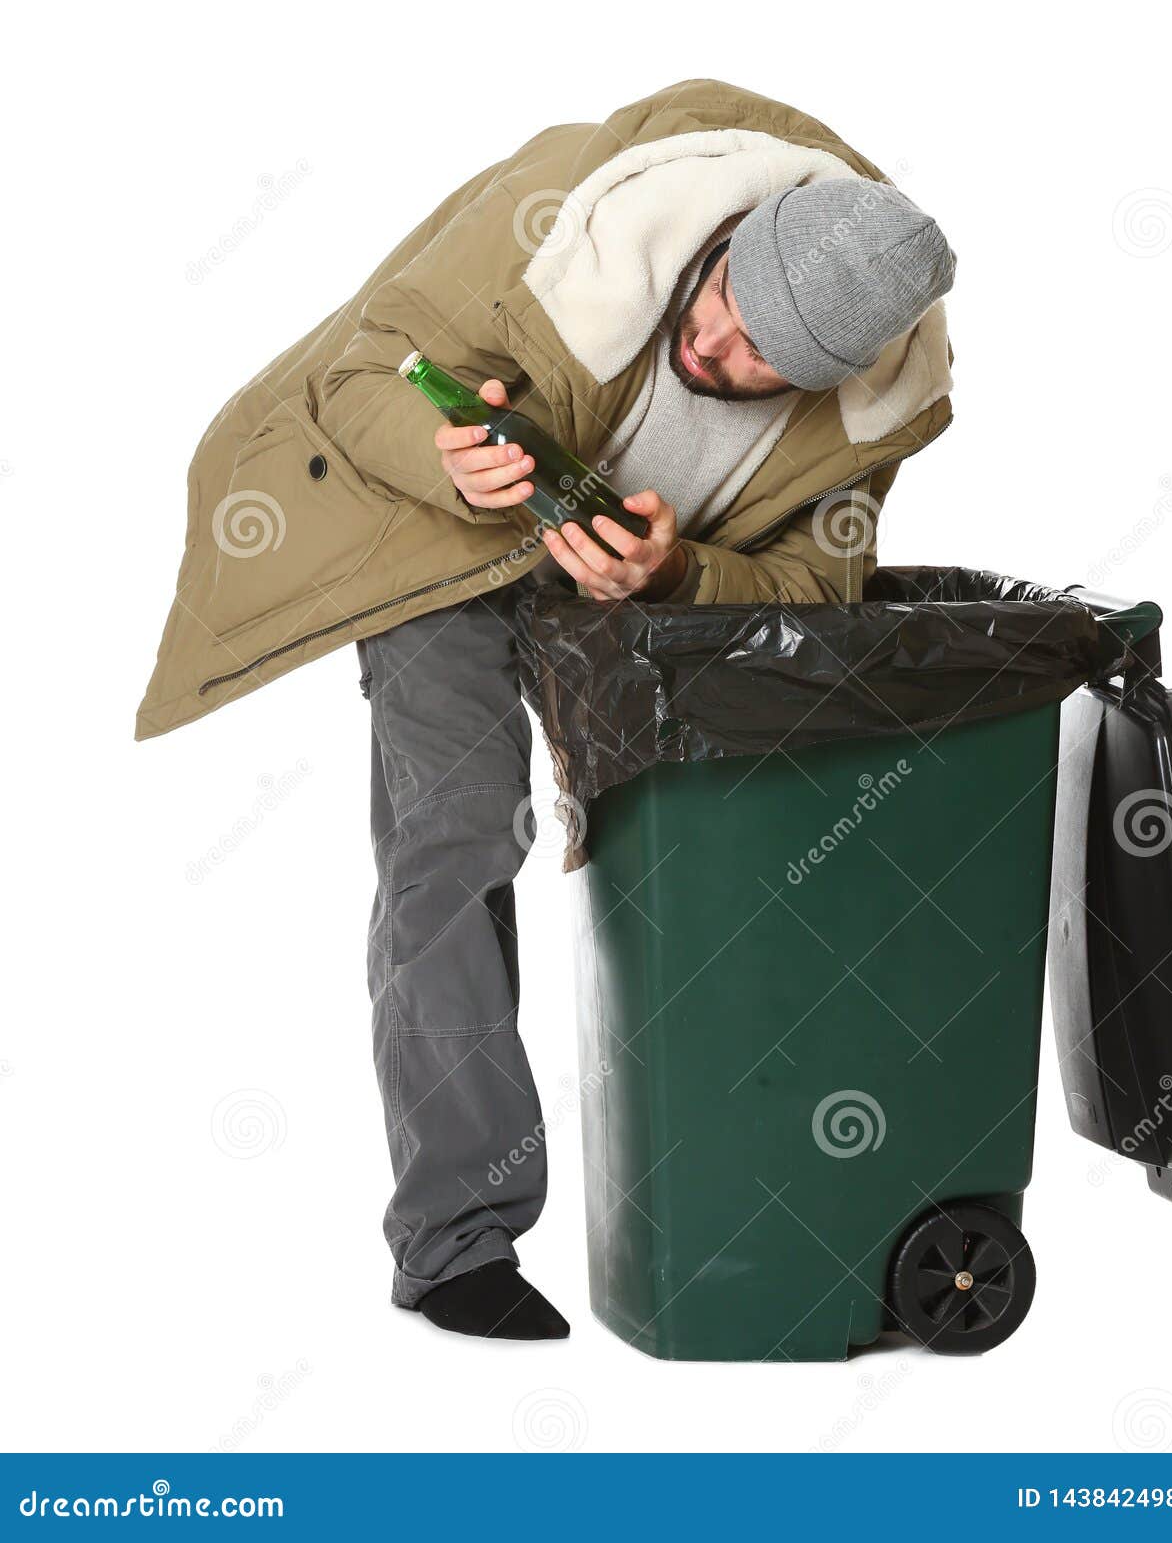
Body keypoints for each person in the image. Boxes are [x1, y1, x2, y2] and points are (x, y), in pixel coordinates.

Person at [137, 79, 956, 1341]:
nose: (716, 352)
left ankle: (745, 1191)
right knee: (459, 836)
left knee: (700, 854)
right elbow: (363, 370)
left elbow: (817, 584)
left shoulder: (864, 415)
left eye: (761, 365)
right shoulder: (564, 207)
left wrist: (678, 575)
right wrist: (444, 456)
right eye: (727, 304)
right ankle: (456, 1243)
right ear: (734, 233)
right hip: (436, 543)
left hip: (631, 596)